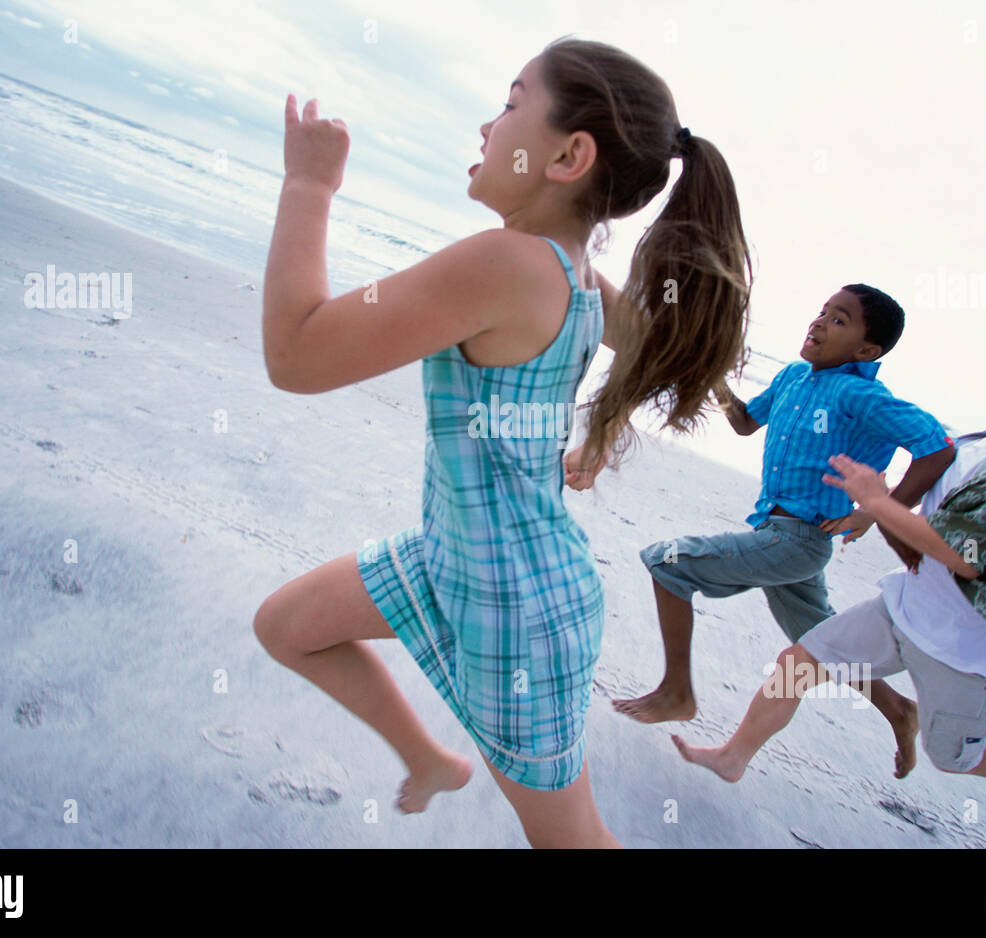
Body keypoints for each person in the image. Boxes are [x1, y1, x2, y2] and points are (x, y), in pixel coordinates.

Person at [253, 36, 752, 848]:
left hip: (516, 606)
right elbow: (666, 346)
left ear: (569, 154)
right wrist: (601, 429)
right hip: (455, 553)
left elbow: (296, 356)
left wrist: (309, 183)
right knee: (288, 626)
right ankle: (431, 760)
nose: (487, 126)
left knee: (571, 840)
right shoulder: (574, 274)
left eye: (513, 101)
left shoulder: (510, 264)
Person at [672, 343, 986, 802]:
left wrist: (876, 502)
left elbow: (965, 555)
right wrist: (872, 510)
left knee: (954, 759)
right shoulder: (970, 446)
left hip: (964, 653)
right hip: (903, 611)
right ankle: (734, 757)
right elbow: (920, 527)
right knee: (798, 665)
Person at [568, 284, 955, 778]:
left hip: (798, 540)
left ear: (867, 350)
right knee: (821, 642)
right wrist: (715, 379)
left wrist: (877, 510)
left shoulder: (862, 394)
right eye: (821, 311)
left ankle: (676, 691)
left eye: (839, 320)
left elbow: (938, 448)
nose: (818, 322)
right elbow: (746, 422)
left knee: (668, 562)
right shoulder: (795, 376)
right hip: (782, 532)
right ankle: (898, 709)